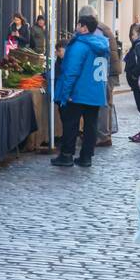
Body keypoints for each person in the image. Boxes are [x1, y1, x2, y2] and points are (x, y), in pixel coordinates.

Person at [51, 14, 109, 168]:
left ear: (83, 27)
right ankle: (86, 157)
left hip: (78, 92)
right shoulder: (103, 43)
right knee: (90, 126)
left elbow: (71, 71)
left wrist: (65, 93)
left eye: (78, 24)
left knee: (71, 125)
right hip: (96, 92)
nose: (76, 27)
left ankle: (66, 155)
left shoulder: (79, 45)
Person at [77, 5, 119, 146]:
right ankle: (104, 134)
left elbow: (95, 53)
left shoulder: (97, 31)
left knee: (102, 104)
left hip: (104, 73)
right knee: (106, 103)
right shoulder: (103, 28)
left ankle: (102, 135)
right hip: (109, 71)